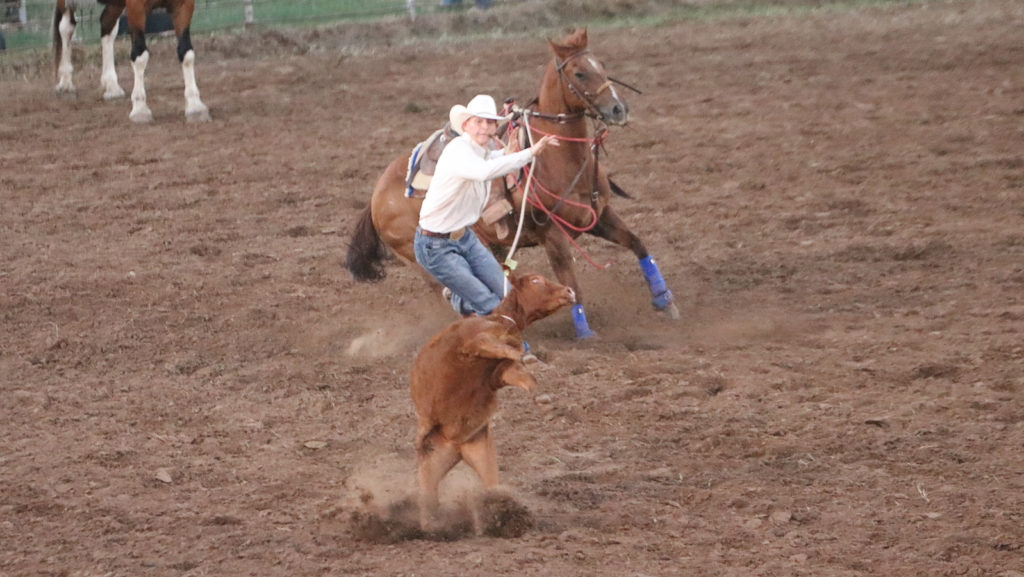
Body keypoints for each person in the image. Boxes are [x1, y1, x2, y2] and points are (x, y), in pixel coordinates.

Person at [414, 94, 557, 319]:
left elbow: (488, 160)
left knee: (508, 295)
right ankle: (522, 351)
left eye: (489, 123)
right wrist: (530, 153)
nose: (484, 127)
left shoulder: (477, 151)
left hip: (465, 239)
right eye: (478, 122)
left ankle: (460, 295)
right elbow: (483, 170)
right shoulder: (458, 151)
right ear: (466, 125)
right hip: (435, 246)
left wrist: (508, 153)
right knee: (491, 305)